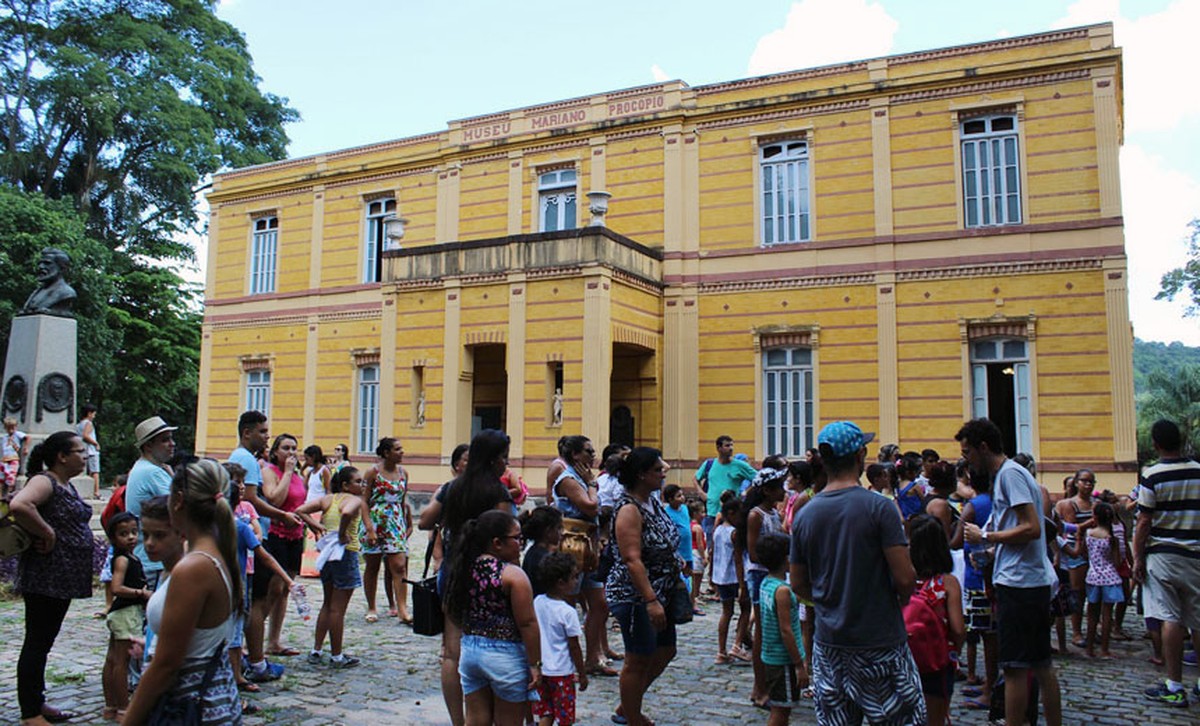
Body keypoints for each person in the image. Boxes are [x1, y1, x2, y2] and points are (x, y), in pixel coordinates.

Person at [790, 420, 925, 726]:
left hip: (829, 645)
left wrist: (831, 601)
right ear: (861, 455)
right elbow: (905, 579)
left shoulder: (806, 513)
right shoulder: (880, 508)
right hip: (879, 641)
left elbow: (798, 583)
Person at [122, 459, 243, 725]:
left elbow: (167, 665)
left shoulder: (193, 568)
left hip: (189, 707)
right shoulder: (213, 553)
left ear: (177, 500)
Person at [960, 417, 1062, 726]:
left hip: (1021, 584)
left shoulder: (1009, 476)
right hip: (1026, 579)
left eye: (967, 453)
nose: (966, 460)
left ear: (983, 447)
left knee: (1016, 667)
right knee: (1040, 664)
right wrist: (994, 552)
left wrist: (986, 538)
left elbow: (1031, 527)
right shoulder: (1010, 475)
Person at [424, 430, 515, 726]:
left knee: (451, 653)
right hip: (489, 576)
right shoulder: (498, 493)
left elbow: (425, 519)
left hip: (453, 569)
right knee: (488, 647)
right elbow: (507, 536)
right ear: (493, 459)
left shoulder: (452, 487)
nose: (506, 463)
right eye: (504, 457)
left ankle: (458, 721)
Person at [9, 431, 93, 726]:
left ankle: (37, 700)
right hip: (45, 578)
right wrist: (47, 532)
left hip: (61, 579)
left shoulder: (65, 485)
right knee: (36, 641)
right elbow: (20, 505)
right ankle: (30, 712)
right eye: (80, 451)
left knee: (44, 642)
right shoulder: (44, 481)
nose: (85, 456)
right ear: (62, 456)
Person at [605, 447, 683, 726]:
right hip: (636, 595)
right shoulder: (629, 509)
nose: (664, 472)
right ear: (641, 475)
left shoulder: (653, 501)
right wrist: (650, 599)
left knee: (665, 650)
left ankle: (629, 703)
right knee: (637, 659)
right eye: (658, 469)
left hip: (662, 589)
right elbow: (631, 558)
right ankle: (632, 715)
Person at [444, 509, 541, 726]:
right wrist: (535, 664)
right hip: (505, 656)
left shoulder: (464, 568)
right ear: (497, 543)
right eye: (517, 538)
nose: (521, 543)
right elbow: (527, 623)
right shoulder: (512, 575)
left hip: (471, 652)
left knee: (476, 719)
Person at [1134, 418, 1200, 707]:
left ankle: (1174, 685)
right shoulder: (1199, 471)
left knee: (1170, 618)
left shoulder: (1153, 474)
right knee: (1197, 620)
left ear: (1156, 444)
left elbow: (1144, 520)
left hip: (1164, 554)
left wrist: (1137, 557)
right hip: (1196, 553)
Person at [249, 434, 320, 675]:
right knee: (274, 587)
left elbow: (301, 503)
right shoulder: (270, 471)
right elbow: (274, 499)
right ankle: (256, 637)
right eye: (286, 448)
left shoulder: (301, 475)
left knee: (286, 588)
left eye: (294, 449)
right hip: (276, 534)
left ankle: (274, 640)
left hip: (295, 535)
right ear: (276, 451)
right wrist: (288, 473)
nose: (291, 453)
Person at [550, 435, 611, 676]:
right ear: (575, 455)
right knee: (568, 604)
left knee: (600, 604)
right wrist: (592, 486)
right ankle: (566, 661)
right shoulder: (568, 479)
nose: (593, 455)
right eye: (588, 451)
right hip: (572, 545)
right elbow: (590, 506)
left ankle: (593, 656)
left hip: (588, 543)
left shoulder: (582, 478)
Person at [296, 465, 367, 667]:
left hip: (327, 554)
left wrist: (316, 525)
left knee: (327, 603)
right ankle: (337, 655)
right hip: (346, 553)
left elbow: (301, 510)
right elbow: (346, 513)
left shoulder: (328, 499)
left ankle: (316, 649)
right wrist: (343, 532)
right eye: (357, 481)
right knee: (338, 609)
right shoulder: (354, 500)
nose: (361, 485)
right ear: (346, 484)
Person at [908, 514, 965, 726]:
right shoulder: (947, 584)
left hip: (904, 659)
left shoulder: (903, 579)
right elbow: (958, 629)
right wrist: (955, 650)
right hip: (938, 660)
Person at [949, 460, 996, 709]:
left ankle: (989, 687)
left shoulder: (973, 506)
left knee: (984, 634)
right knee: (989, 633)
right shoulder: (996, 501)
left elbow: (956, 542)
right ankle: (990, 681)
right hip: (991, 574)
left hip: (977, 576)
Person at [744, 468, 787, 709]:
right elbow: (752, 551)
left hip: (774, 573)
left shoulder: (773, 512)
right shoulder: (756, 515)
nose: (783, 491)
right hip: (761, 575)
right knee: (762, 632)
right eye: (779, 487)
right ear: (767, 490)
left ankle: (763, 686)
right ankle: (760, 687)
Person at [101, 512, 150, 721]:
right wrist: (142, 593)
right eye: (123, 534)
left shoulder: (130, 557)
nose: (130, 537)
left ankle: (110, 706)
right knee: (121, 662)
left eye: (133, 532)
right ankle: (123, 707)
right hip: (126, 613)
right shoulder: (122, 559)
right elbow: (117, 587)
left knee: (112, 659)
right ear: (113, 538)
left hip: (122, 613)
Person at [361, 437, 413, 624]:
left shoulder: (403, 473)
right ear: (386, 453)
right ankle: (372, 606)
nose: (402, 452)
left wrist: (407, 522)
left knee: (399, 565)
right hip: (376, 520)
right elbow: (364, 502)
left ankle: (402, 608)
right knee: (373, 566)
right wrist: (369, 528)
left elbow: (402, 500)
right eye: (397, 449)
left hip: (395, 522)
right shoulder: (372, 472)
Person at [533, 552, 588, 726]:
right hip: (561, 672)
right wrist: (582, 672)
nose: (576, 581)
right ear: (561, 583)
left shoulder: (537, 602)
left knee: (546, 712)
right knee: (564, 717)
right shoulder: (568, 612)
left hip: (542, 670)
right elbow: (574, 646)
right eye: (574, 577)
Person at [757, 532, 807, 726]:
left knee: (781, 709)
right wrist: (799, 664)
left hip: (771, 657)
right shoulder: (782, 591)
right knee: (781, 712)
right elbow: (786, 630)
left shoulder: (766, 583)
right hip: (783, 659)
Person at [125, 416, 178, 590]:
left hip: (146, 555)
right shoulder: (152, 472)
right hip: (154, 561)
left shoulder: (144, 467)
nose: (172, 444)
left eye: (171, 438)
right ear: (148, 446)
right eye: (165, 440)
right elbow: (179, 504)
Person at [1072, 501, 1122, 658]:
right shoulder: (1111, 539)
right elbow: (1117, 561)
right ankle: (1105, 649)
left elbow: (1082, 553)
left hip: (1092, 576)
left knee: (1091, 614)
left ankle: (1089, 649)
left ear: (1094, 517)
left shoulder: (1089, 535)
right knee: (1107, 615)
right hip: (1110, 577)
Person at [1055, 468, 1095, 647]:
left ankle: (1092, 629)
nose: (1088, 484)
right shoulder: (1069, 504)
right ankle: (1077, 632)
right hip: (1074, 551)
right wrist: (1090, 523)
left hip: (1094, 551)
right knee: (1077, 592)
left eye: (1091, 481)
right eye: (1084, 481)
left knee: (1090, 593)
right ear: (1077, 483)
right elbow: (1071, 527)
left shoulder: (1095, 503)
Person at [698, 436, 757, 544]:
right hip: (712, 511)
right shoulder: (709, 464)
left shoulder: (740, 465)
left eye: (731, 445)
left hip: (732, 513)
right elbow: (696, 478)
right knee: (712, 544)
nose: (731, 448)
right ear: (718, 448)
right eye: (727, 445)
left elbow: (758, 479)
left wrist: (746, 492)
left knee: (733, 544)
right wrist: (701, 492)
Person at [711, 497, 745, 664]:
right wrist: (742, 583)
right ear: (731, 513)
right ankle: (737, 644)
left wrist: (711, 576)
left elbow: (713, 554)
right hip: (733, 577)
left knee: (726, 612)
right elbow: (738, 560)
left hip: (720, 576)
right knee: (745, 610)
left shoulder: (717, 530)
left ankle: (721, 651)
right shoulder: (734, 533)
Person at [521, 505, 564, 597]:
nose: (562, 533)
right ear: (548, 532)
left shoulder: (532, 551)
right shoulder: (544, 559)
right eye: (559, 528)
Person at [77, 404, 101, 497]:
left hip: (83, 450)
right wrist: (96, 443)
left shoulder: (78, 424)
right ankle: (96, 492)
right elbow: (85, 435)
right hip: (91, 450)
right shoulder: (88, 423)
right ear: (89, 413)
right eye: (94, 414)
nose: (94, 416)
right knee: (95, 472)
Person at [2, 416, 29, 499]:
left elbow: (27, 437)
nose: (11, 430)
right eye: (8, 428)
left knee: (11, 476)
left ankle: (10, 493)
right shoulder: (4, 437)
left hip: (13, 458)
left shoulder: (17, 434)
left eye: (13, 428)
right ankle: (3, 493)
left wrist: (25, 447)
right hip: (4, 459)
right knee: (3, 476)